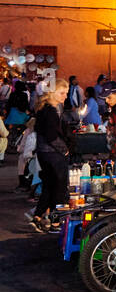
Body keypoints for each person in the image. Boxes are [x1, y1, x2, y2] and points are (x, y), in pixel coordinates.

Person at [29, 79, 70, 231]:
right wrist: (64, 149)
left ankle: (38, 216)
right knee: (59, 189)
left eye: (66, 93)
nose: (65, 96)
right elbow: (52, 136)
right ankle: (55, 223)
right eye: (62, 93)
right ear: (52, 93)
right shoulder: (50, 110)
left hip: (43, 153)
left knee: (49, 186)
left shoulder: (44, 108)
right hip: (53, 154)